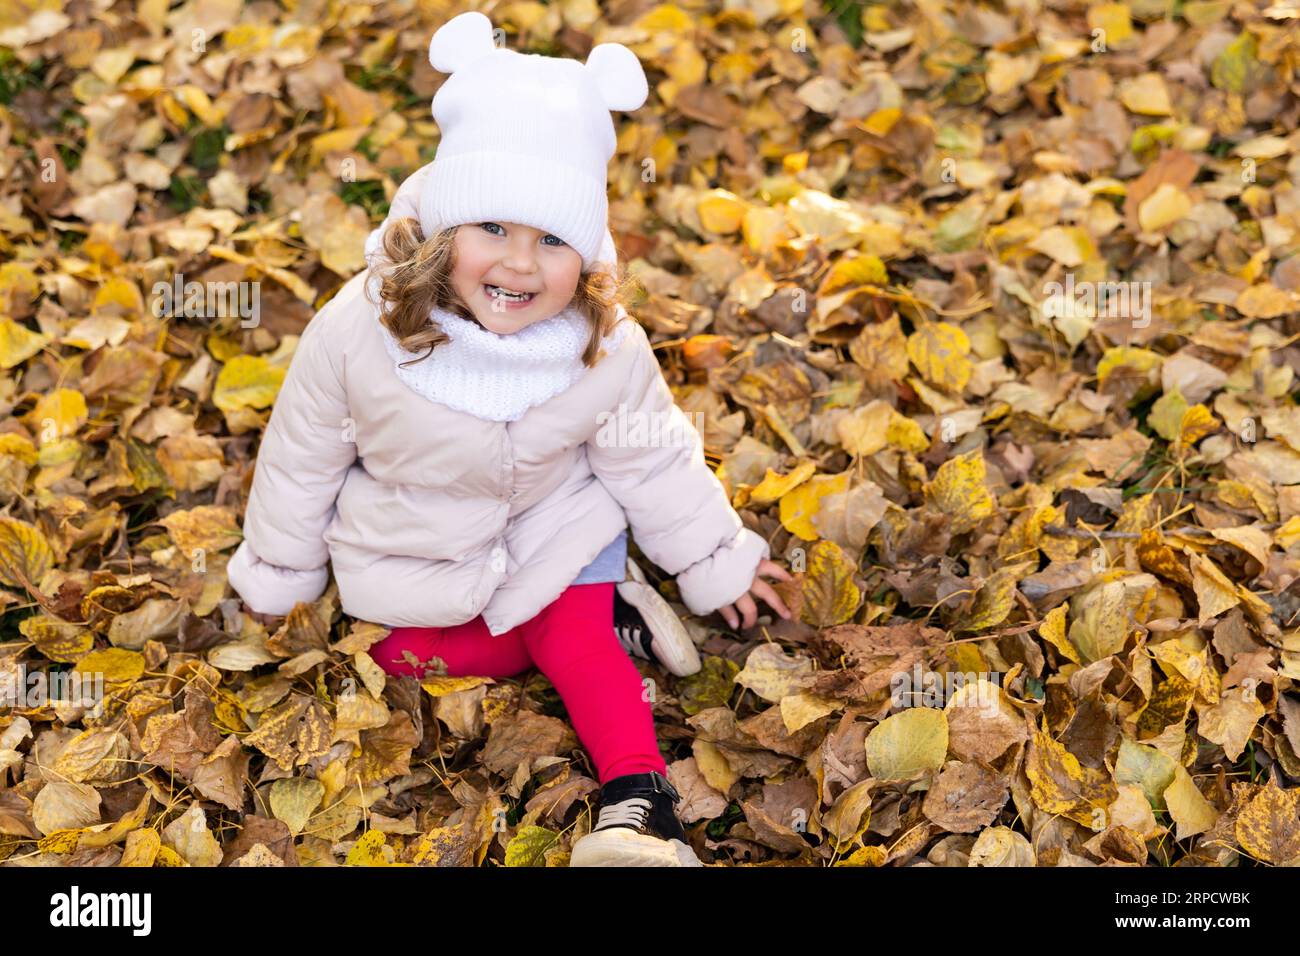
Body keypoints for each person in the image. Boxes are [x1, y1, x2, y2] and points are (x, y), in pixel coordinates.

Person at [227, 10, 791, 866]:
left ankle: (640, 805)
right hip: (417, 549)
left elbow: (652, 451)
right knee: (404, 658)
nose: (520, 265)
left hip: (554, 529)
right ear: (447, 228)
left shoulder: (602, 341)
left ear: (588, 252)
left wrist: (718, 557)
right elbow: (302, 455)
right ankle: (621, 617)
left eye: (552, 240)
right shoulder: (359, 329)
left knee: (565, 627)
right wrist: (278, 574)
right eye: (492, 229)